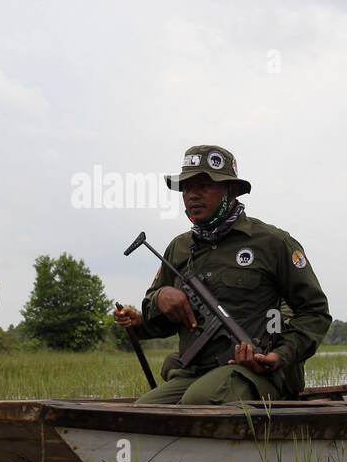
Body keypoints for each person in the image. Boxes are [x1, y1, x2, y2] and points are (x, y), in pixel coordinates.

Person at [113, 145, 331, 405]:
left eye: (204, 185)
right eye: (186, 187)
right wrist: (157, 301)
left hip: (258, 372)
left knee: (199, 401)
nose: (192, 195)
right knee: (143, 411)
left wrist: (281, 354)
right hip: (195, 372)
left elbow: (314, 312)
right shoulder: (179, 248)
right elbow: (157, 323)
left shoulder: (273, 243)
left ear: (232, 190)